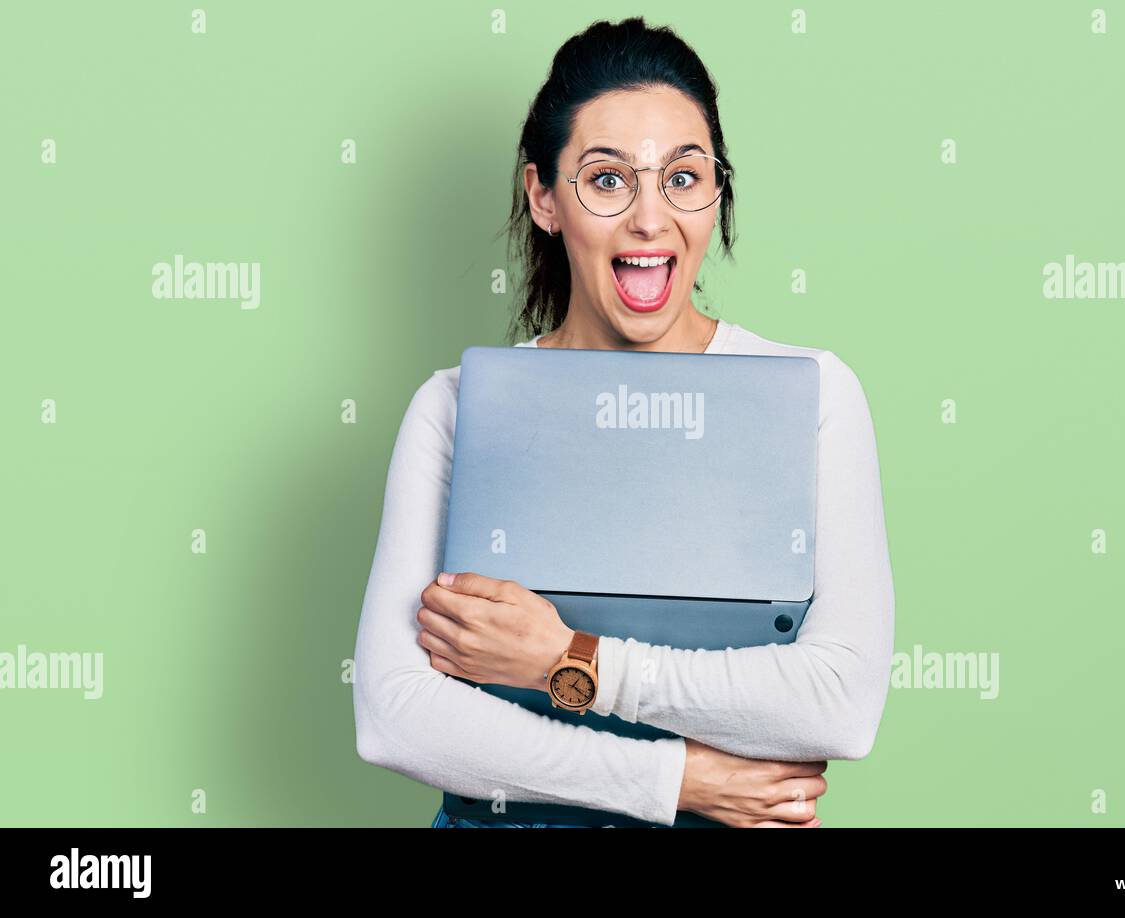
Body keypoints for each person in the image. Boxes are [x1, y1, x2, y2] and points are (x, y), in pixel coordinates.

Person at [353, 16, 895, 829]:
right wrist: (671, 778)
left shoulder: (814, 395)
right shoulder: (456, 408)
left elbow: (837, 704)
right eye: (608, 180)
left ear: (716, 192)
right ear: (543, 196)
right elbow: (397, 714)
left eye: (683, 177)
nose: (650, 218)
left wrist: (567, 662)